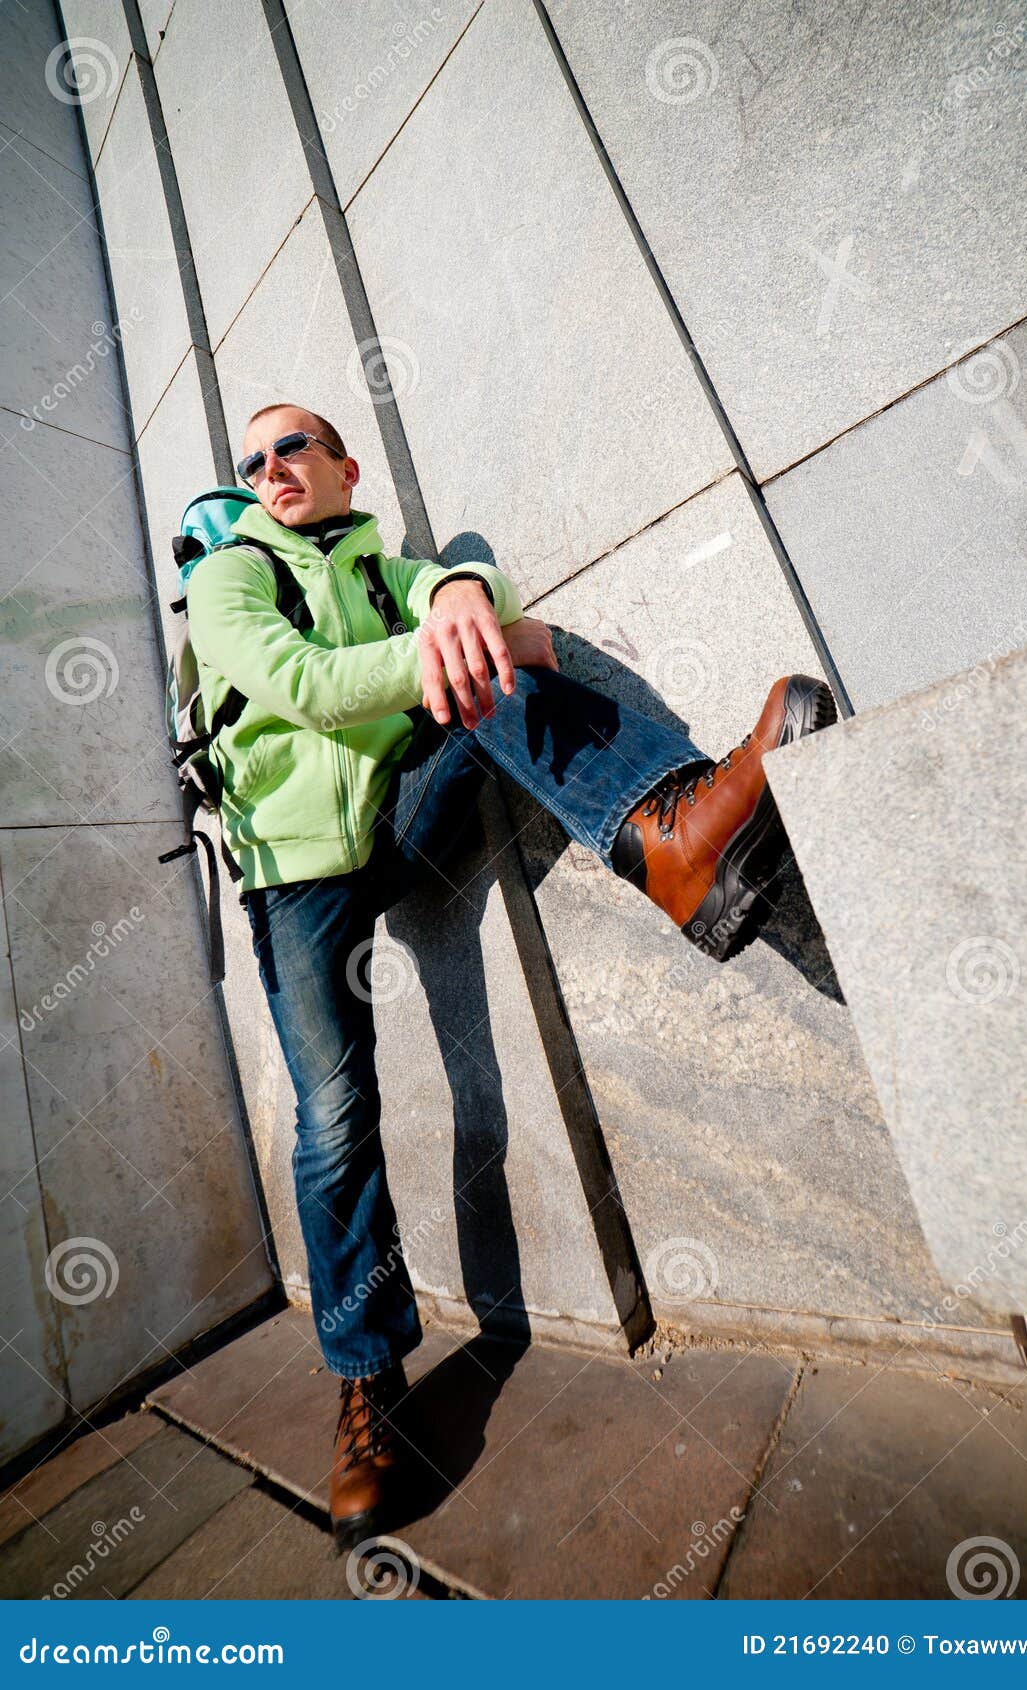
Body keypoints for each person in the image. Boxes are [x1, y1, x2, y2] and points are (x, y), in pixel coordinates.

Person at [185, 401, 837, 1552]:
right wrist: (474, 628)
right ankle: (368, 1379)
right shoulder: (231, 575)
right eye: (250, 459)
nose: (269, 469)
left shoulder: (388, 565)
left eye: (293, 447)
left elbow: (477, 573)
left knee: (483, 663)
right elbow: (305, 687)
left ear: (343, 466)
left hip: (393, 816)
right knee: (336, 1118)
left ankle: (672, 838)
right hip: (293, 873)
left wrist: (461, 593)